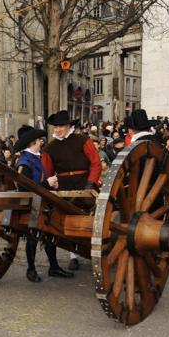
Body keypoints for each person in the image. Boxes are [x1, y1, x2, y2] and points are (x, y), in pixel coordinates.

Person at [42, 110, 102, 271]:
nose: (57, 130)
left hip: (85, 183)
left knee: (92, 217)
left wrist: (91, 182)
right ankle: (73, 256)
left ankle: (96, 248)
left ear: (69, 126)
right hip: (64, 187)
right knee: (67, 218)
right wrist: (53, 185)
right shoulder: (49, 148)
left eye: (60, 126)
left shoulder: (83, 140)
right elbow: (48, 172)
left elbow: (96, 163)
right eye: (55, 127)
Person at [13, 124, 72, 282]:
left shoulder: (34, 158)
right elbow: (24, 188)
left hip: (43, 204)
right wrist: (47, 183)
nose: (42, 142)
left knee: (50, 235)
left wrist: (51, 184)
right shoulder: (24, 162)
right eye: (39, 140)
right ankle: (31, 269)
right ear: (34, 142)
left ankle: (54, 267)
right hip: (32, 206)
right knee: (32, 238)